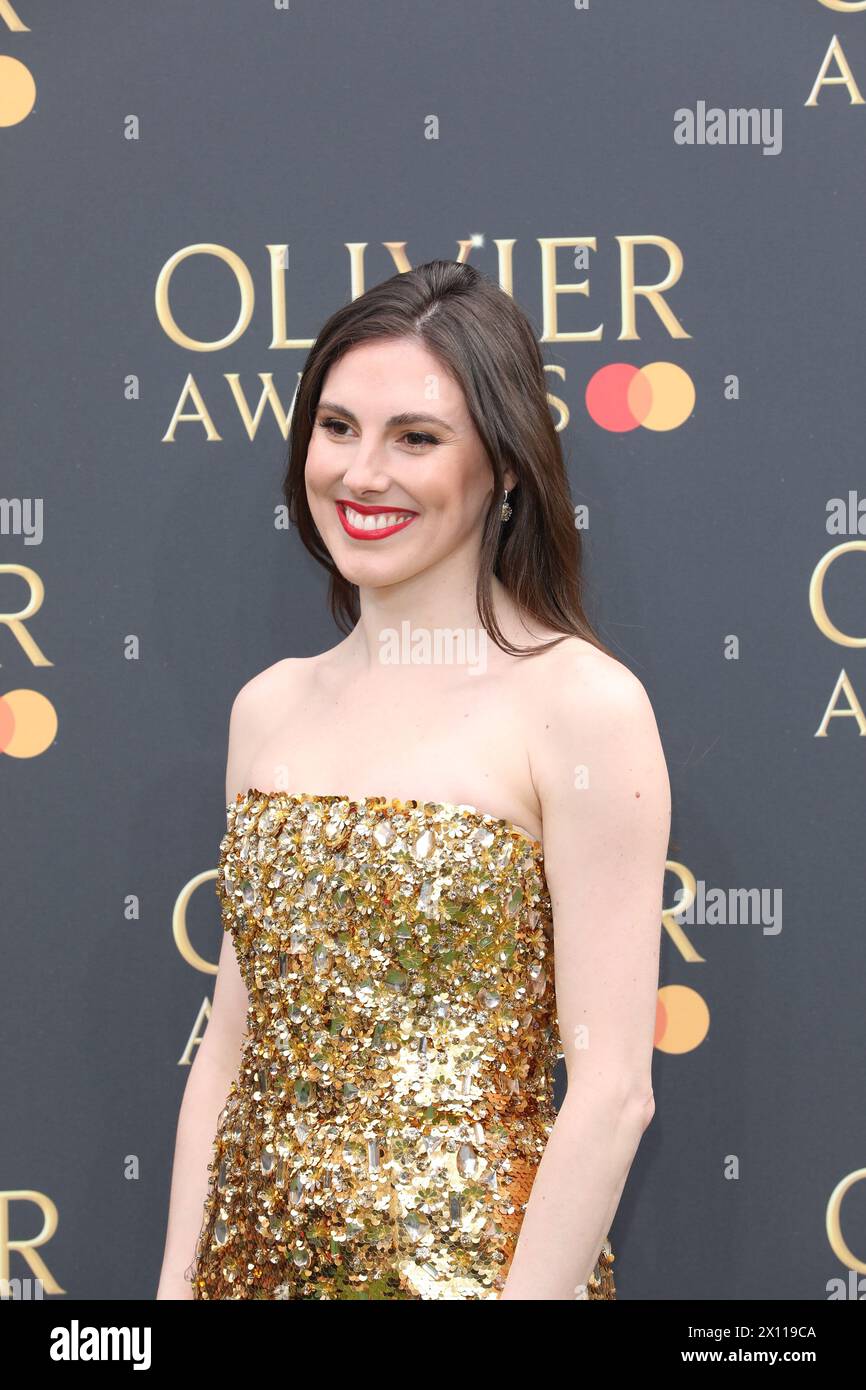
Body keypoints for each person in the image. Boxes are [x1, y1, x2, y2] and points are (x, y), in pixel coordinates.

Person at [157, 259, 670, 1300]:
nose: (361, 472)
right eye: (336, 427)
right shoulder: (270, 708)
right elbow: (229, 1050)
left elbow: (610, 1091)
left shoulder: (581, 707)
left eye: (417, 438)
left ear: (507, 467)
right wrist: (174, 1292)